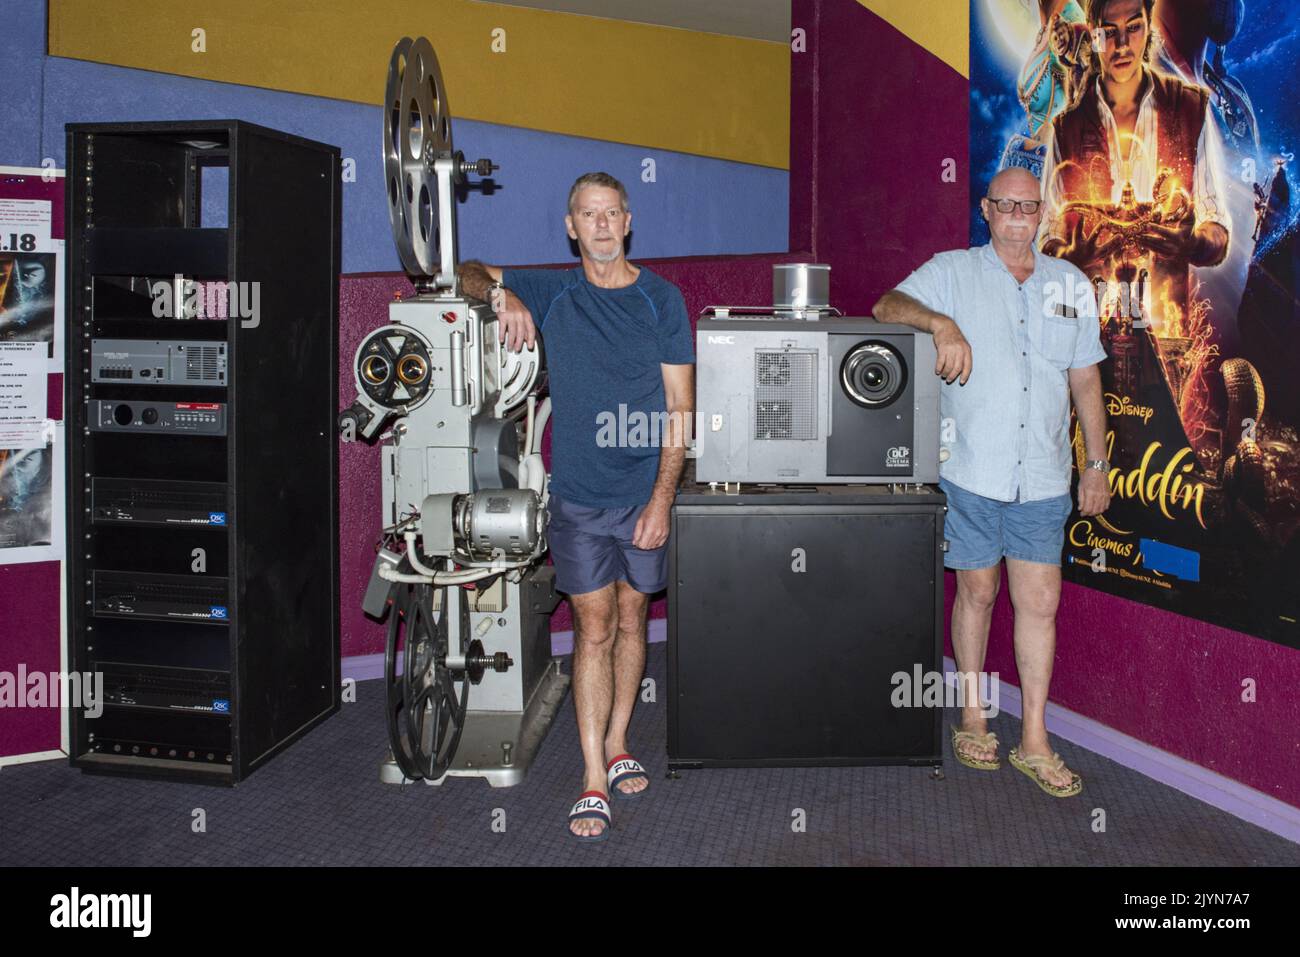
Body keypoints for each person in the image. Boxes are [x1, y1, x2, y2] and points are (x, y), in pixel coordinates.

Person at [458, 172, 694, 841]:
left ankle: (619, 741)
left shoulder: (661, 299)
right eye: (586, 214)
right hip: (582, 499)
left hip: (644, 492)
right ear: (571, 226)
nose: (599, 225)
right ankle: (593, 774)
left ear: (628, 221)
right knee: (592, 626)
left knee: (631, 614)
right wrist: (501, 294)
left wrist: (661, 498)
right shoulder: (553, 290)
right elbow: (464, 271)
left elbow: (681, 411)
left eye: (609, 213)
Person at [872, 166, 1111, 798]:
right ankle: (973, 712)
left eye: (1028, 206)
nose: (1016, 215)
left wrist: (1096, 463)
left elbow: (1086, 378)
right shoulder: (952, 271)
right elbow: (885, 305)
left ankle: (1034, 737)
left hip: (1043, 478)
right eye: (1004, 204)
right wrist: (941, 325)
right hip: (971, 472)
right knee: (976, 595)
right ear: (986, 209)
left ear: (1042, 214)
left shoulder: (1071, 284)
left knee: (1040, 605)